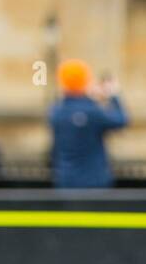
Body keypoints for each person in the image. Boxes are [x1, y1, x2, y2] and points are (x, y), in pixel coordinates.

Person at [48, 59, 128, 189]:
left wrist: (89, 96)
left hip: (66, 180)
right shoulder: (92, 111)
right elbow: (121, 120)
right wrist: (113, 95)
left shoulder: (56, 111)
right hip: (95, 181)